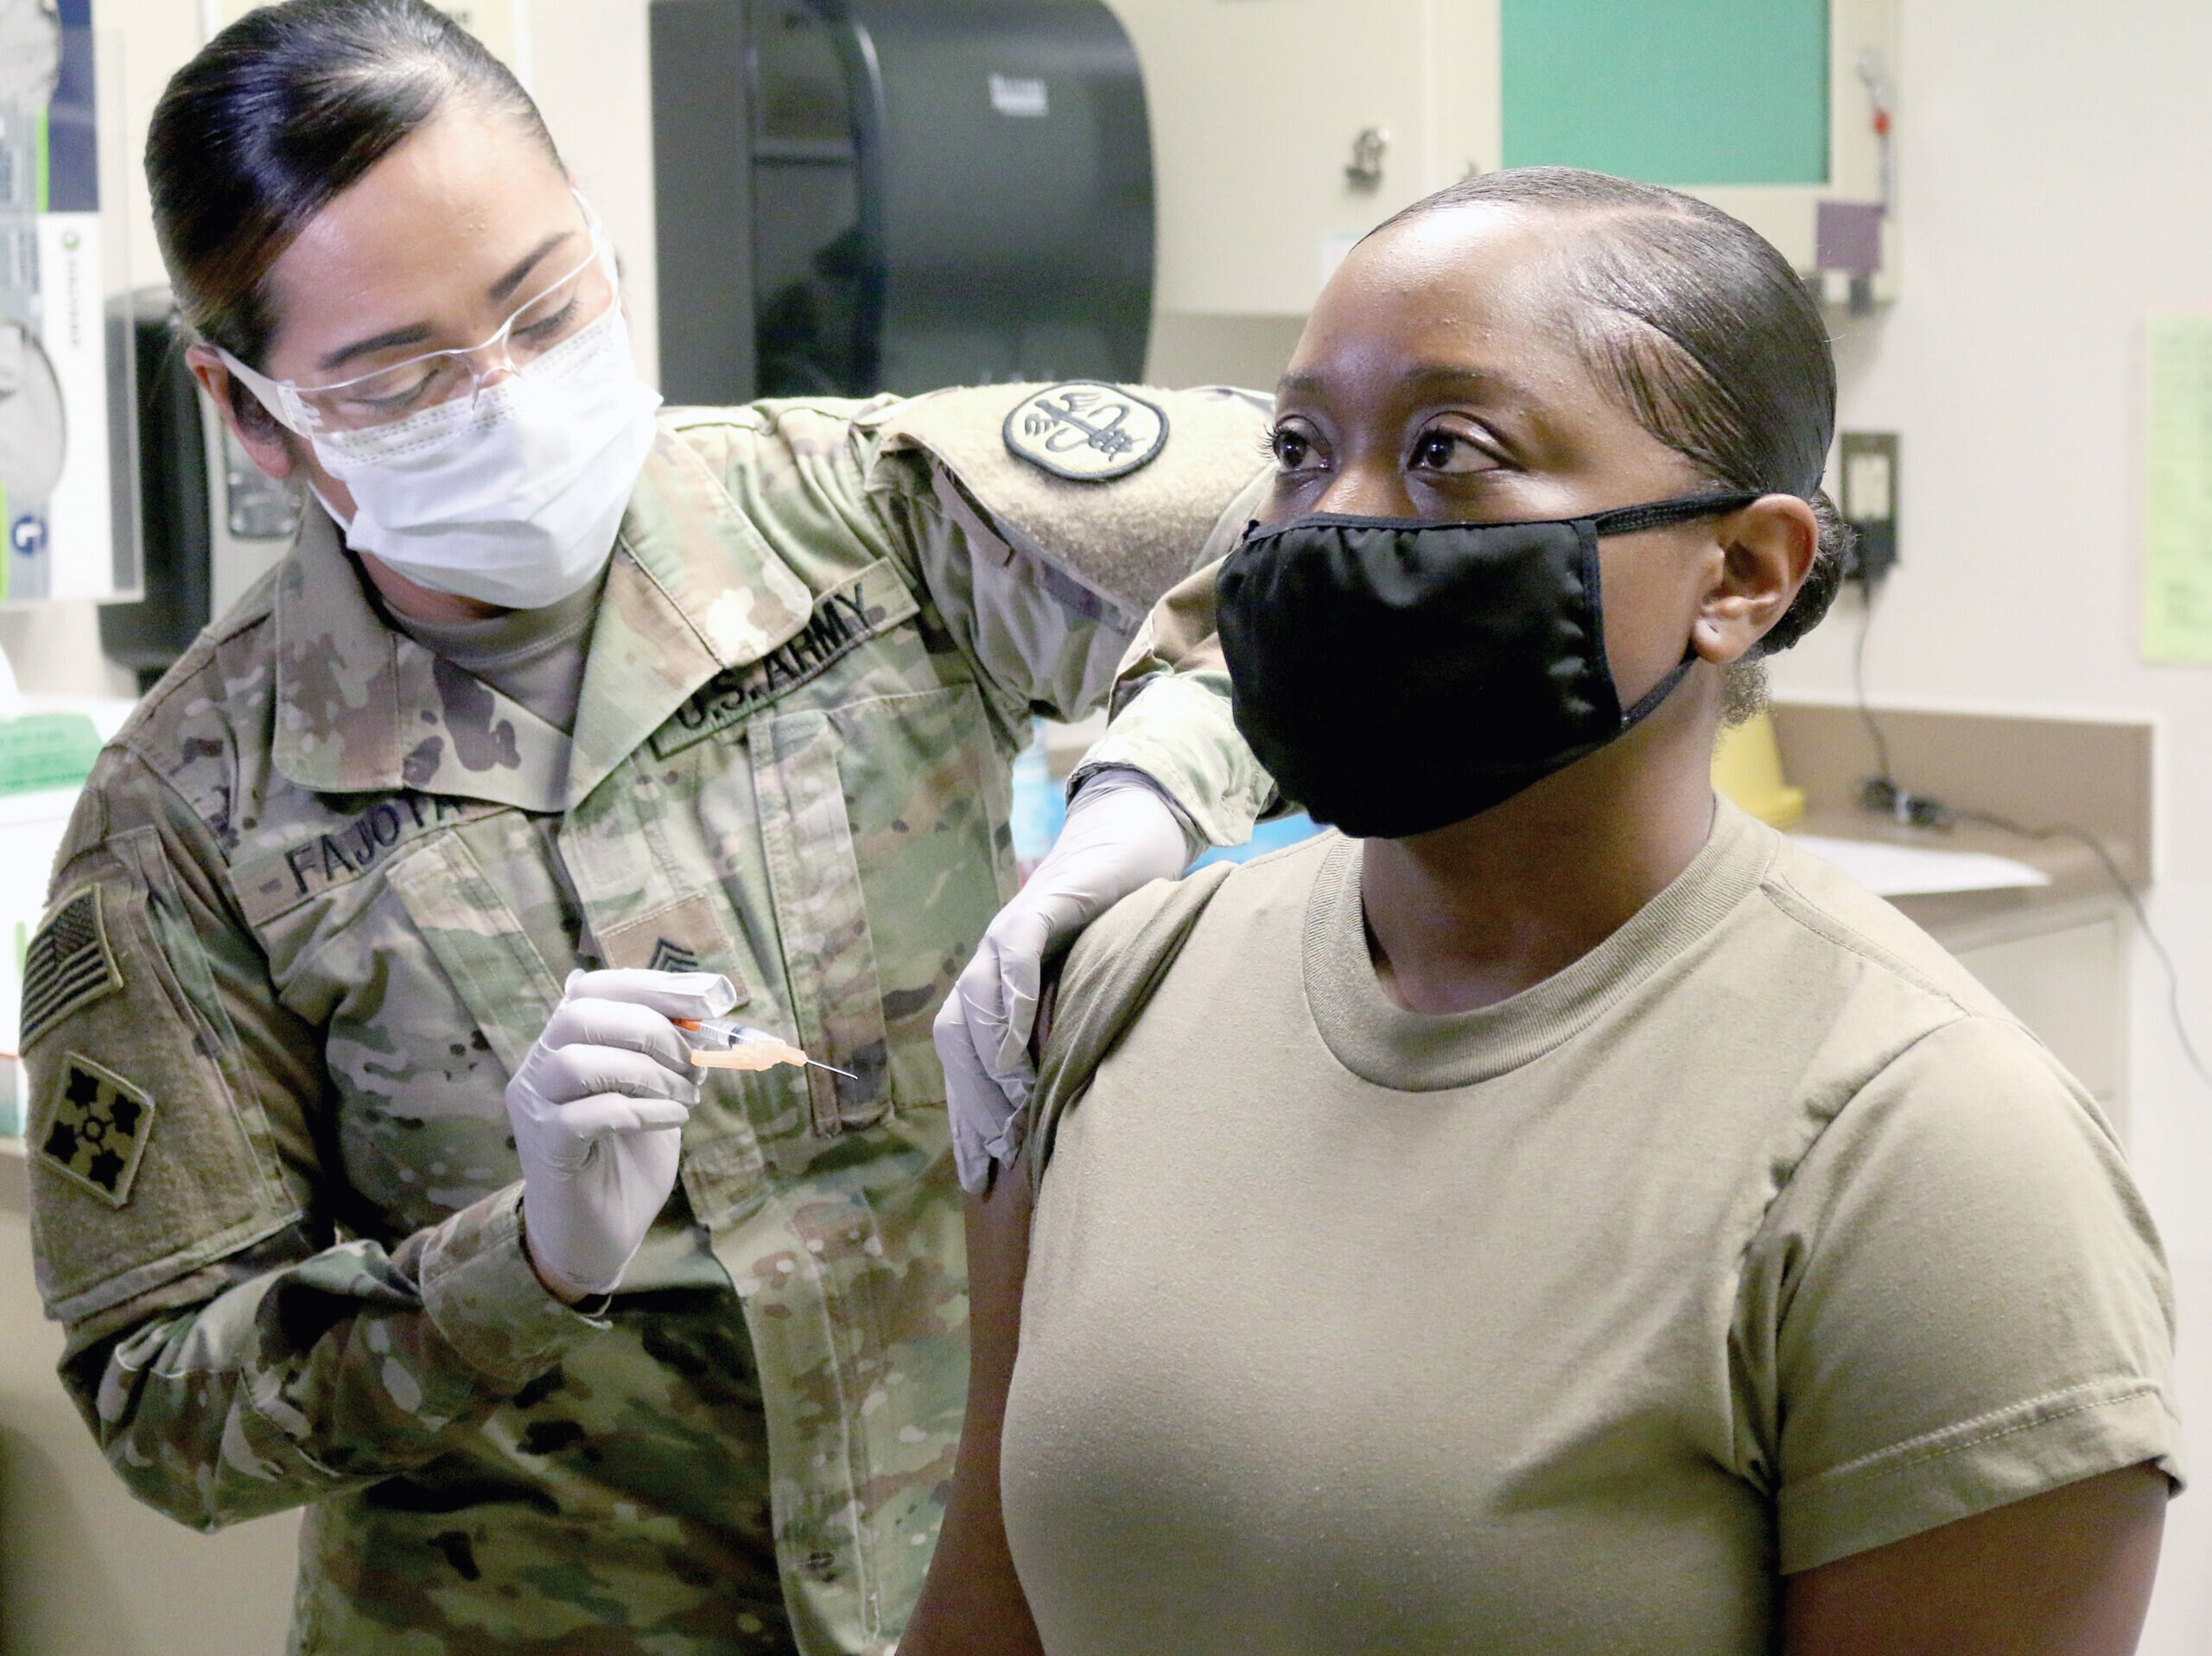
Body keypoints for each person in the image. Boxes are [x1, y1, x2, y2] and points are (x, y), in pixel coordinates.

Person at [17, 3, 1272, 1652]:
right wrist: (519, 1260)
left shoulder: (855, 515)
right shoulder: (190, 810)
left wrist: (1155, 782)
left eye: (546, 304)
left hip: (974, 1587)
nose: (512, 394)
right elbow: (167, 1404)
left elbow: (1325, 515)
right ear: (254, 415)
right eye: (400, 375)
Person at [906, 168, 2183, 1656]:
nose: (1332, 525)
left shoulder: (1929, 1155)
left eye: (1452, 451)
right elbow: (982, 1615)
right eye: (1302, 449)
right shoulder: (1118, 989)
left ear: (1744, 573)